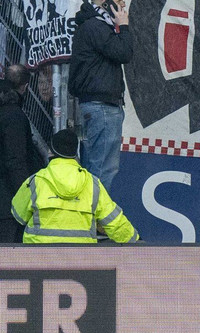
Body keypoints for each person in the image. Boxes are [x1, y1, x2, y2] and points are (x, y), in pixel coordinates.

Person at [11, 128, 139, 244]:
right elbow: (115, 222)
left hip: (39, 259)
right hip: (81, 260)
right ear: (75, 153)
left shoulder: (36, 181)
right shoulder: (92, 183)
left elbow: (18, 215)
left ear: (51, 152)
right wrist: (137, 243)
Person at [68, 0, 132, 192]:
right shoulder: (97, 26)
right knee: (103, 169)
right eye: (120, 1)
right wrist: (123, 26)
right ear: (107, 3)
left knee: (94, 166)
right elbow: (124, 53)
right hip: (102, 107)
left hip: (95, 106)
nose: (124, 6)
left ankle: (89, 218)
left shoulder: (93, 25)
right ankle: (93, 221)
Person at [0, 65, 42, 243]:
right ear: (25, 86)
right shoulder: (14, 116)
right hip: (7, 202)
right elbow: (15, 161)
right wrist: (26, 196)